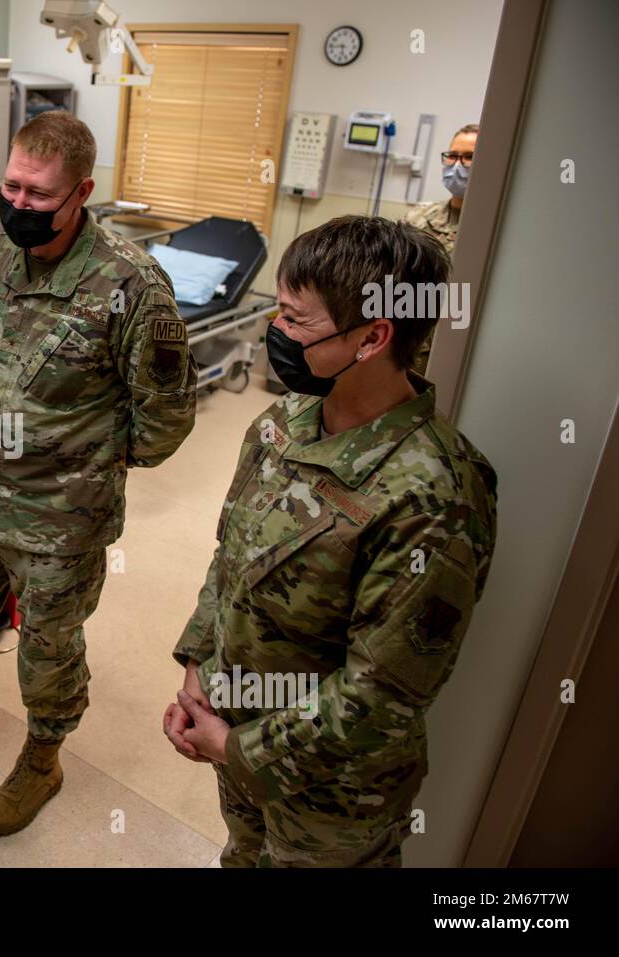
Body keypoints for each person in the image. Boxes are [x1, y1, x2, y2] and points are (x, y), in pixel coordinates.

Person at [0, 110, 198, 836]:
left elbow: (167, 417)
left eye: (39, 194)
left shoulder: (131, 284)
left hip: (63, 516)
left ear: (81, 191)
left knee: (48, 652)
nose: (19, 205)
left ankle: (43, 758)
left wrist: (96, 459)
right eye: (12, 187)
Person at [164, 216, 497, 867]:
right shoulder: (280, 424)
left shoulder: (434, 494)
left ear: (373, 336)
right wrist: (199, 667)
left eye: (295, 320)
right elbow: (228, 558)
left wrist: (237, 750)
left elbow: (381, 695)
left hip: (333, 801)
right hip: (239, 732)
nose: (275, 334)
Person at [402, 122, 478, 373]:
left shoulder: (494, 230)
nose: (458, 164)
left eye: (468, 157)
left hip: (463, 351)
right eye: (453, 156)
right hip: (411, 346)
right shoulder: (420, 217)